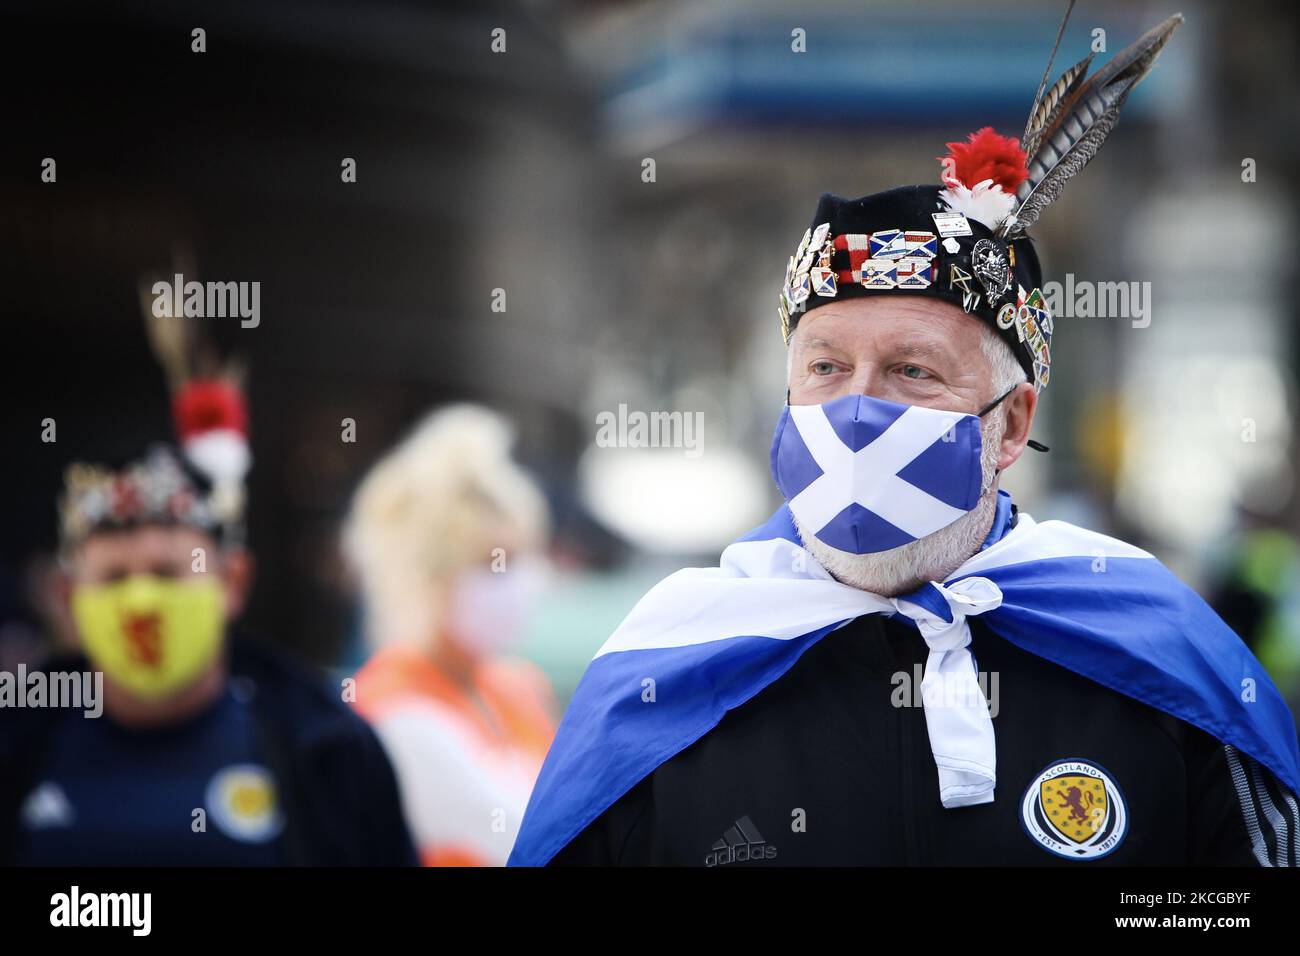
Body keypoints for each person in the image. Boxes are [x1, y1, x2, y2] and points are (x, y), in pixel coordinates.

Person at [510, 13, 1300, 866]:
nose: (856, 409)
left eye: (912, 372)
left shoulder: (1164, 666)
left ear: (1011, 424)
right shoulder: (663, 676)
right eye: (824, 369)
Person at [0, 380, 416, 866]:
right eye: (113, 578)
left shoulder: (328, 752)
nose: (141, 601)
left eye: (167, 573)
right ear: (69, 597)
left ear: (232, 581)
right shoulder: (18, 742)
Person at [345, 404, 557, 866]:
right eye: (493, 562)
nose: (519, 582)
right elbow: (540, 842)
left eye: (522, 558)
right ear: (429, 577)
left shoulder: (516, 687)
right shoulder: (395, 710)